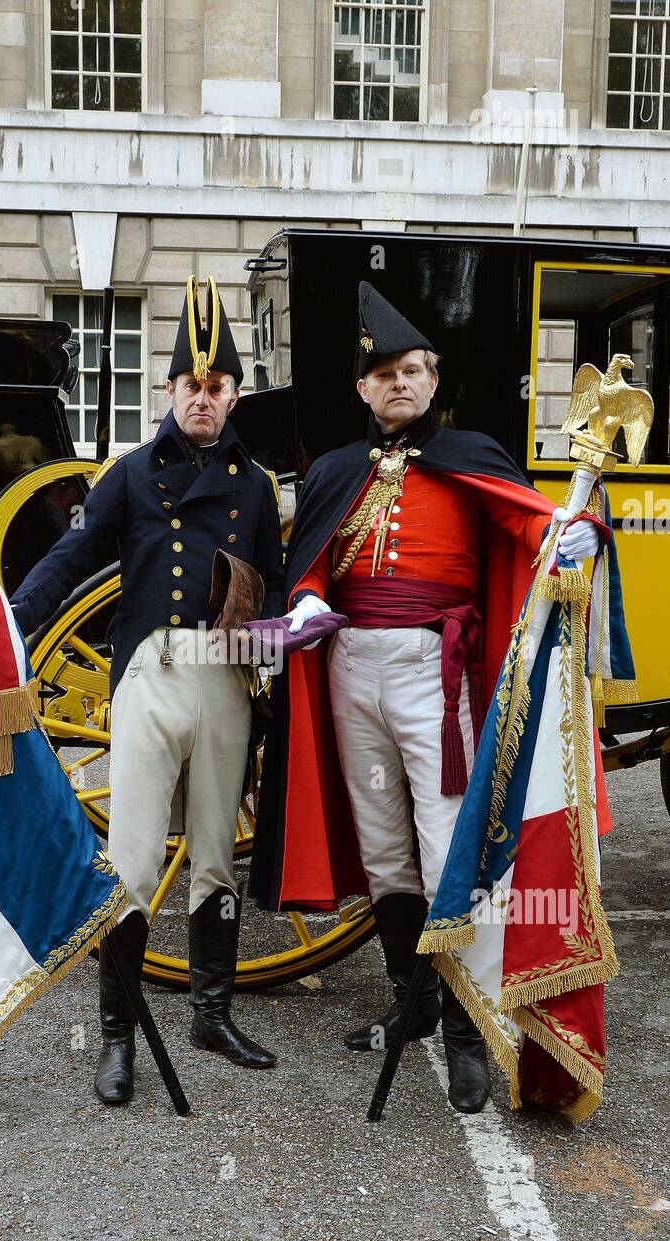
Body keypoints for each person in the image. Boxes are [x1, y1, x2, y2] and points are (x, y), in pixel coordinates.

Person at [250, 282, 601, 1114]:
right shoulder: (334, 469)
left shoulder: (473, 451)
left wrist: (572, 536)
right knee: (383, 850)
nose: (397, 383)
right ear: (362, 389)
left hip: (433, 672)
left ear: (431, 380)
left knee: (448, 846)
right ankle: (410, 999)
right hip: (347, 667)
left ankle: (467, 1026)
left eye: (411, 370)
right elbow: (310, 565)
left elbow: (531, 530)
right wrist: (301, 602)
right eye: (382, 374)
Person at [10, 276, 284, 1105]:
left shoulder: (256, 486)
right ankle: (117, 1038)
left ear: (234, 394)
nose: (202, 399)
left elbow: (271, 584)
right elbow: (72, 557)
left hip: (225, 679)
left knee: (213, 861)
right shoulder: (131, 474)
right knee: (130, 863)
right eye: (190, 386)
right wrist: (14, 619)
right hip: (150, 675)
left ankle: (211, 1014)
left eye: (216, 386)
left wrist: (273, 620)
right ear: (167, 390)